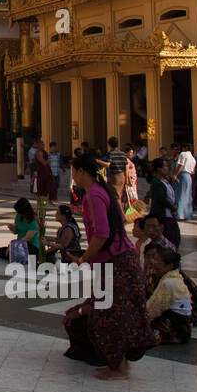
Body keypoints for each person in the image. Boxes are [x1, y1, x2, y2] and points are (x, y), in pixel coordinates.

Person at [63, 150, 154, 380]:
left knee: (108, 315)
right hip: (119, 258)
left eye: (74, 172)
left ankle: (119, 367)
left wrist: (84, 258)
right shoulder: (103, 190)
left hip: (114, 261)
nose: (73, 176)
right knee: (113, 312)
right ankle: (119, 363)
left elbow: (102, 233)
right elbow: (117, 222)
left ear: (81, 171)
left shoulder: (93, 195)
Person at [146, 248, 193, 344]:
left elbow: (154, 309)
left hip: (174, 325)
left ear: (169, 266)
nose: (154, 263)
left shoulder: (168, 282)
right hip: (182, 324)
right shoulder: (176, 277)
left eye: (158, 261)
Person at [146, 157, 181, 248]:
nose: (167, 168)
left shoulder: (165, 181)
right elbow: (161, 198)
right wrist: (171, 206)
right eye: (165, 166)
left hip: (169, 213)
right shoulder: (156, 182)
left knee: (174, 237)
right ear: (159, 169)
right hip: (163, 214)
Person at [32, 138, 57, 228]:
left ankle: (43, 214)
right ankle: (41, 216)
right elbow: (43, 163)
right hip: (42, 175)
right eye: (41, 144)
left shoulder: (43, 152)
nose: (43, 146)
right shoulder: (38, 153)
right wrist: (49, 161)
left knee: (45, 193)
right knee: (41, 194)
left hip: (46, 173)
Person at [174, 143, 196, 220]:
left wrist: (175, 175)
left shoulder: (183, 154)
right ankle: (187, 214)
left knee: (180, 194)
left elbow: (181, 165)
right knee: (188, 195)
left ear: (186, 148)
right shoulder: (193, 158)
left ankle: (180, 214)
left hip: (182, 174)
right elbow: (193, 171)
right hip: (189, 176)